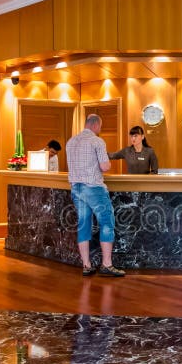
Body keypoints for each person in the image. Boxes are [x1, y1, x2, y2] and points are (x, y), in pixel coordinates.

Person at [66, 114, 125, 277]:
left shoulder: (71, 142)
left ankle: (86, 265)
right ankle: (106, 264)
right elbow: (105, 166)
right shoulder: (97, 141)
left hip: (76, 188)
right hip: (94, 189)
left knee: (83, 224)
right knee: (107, 222)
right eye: (100, 127)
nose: (100, 130)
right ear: (96, 125)